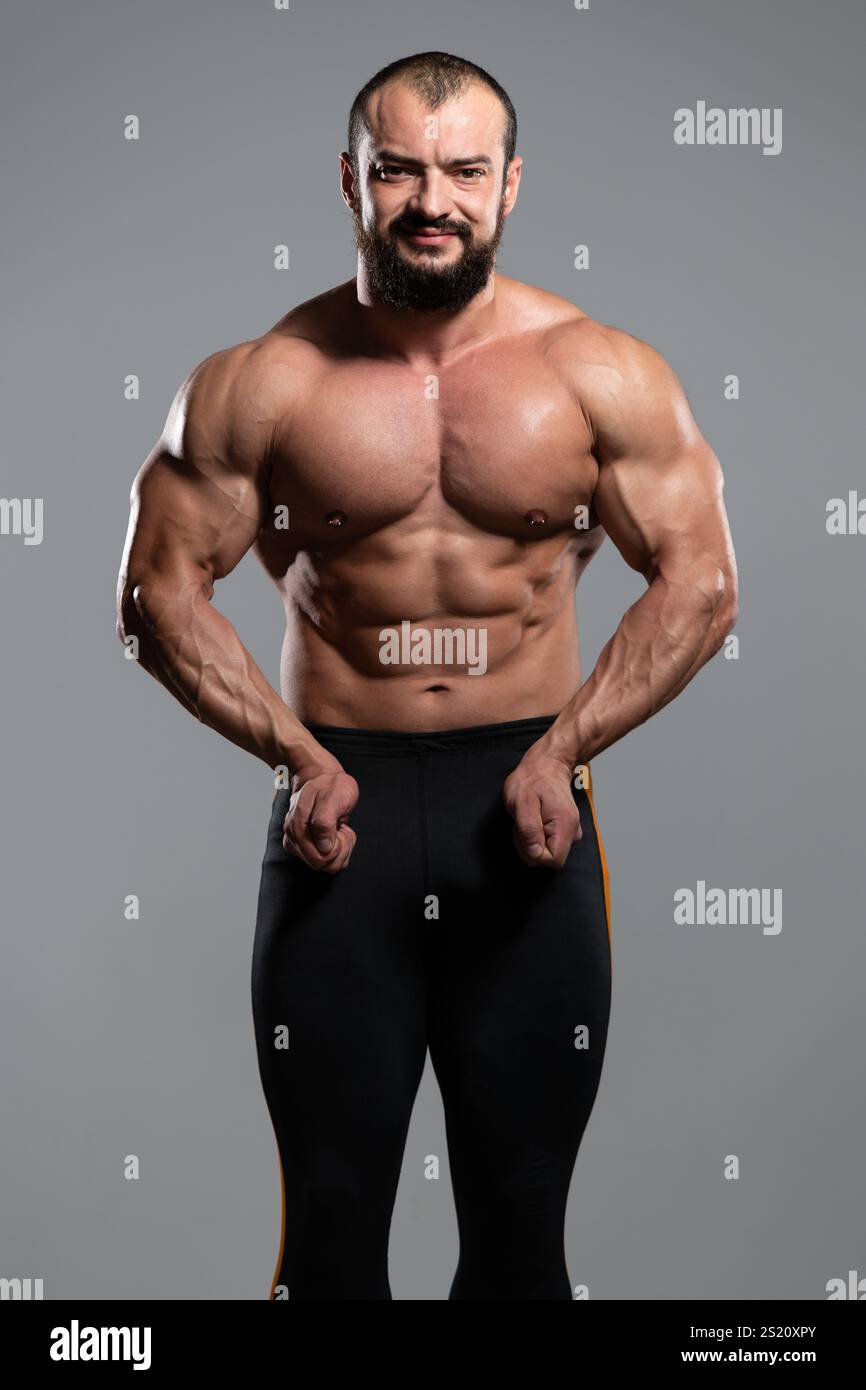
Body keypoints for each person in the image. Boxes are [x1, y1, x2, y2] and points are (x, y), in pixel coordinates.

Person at [116, 50, 738, 1300]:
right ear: (350, 180)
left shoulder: (595, 371)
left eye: (462, 171)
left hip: (523, 811)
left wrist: (564, 750)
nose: (430, 200)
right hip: (337, 811)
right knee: (331, 1240)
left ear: (510, 185)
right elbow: (155, 592)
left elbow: (700, 579)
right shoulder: (261, 384)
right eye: (398, 168)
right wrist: (294, 757)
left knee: (518, 1240)